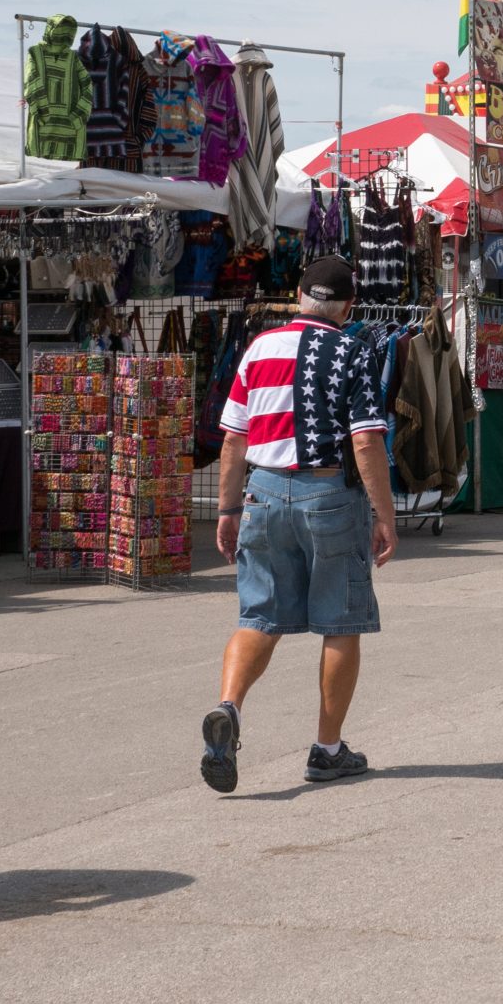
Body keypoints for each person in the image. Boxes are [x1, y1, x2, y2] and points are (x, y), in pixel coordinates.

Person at [204, 257, 399, 794]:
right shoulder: (352, 351)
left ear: (297, 295)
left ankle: (228, 707)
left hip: (263, 491)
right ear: (349, 306)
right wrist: (385, 515)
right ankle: (328, 750)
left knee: (258, 615)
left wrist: (226, 510)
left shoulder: (259, 348)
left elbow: (233, 440)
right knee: (341, 620)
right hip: (328, 493)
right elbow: (365, 440)